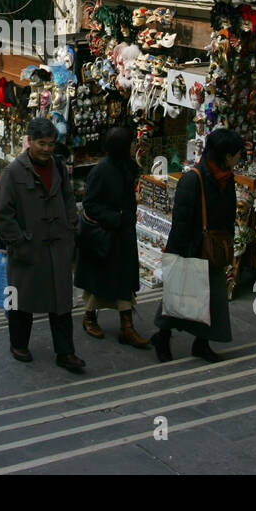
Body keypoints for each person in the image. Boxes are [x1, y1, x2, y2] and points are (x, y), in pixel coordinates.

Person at [0, 117, 85, 374]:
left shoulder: (58, 168)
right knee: (22, 302)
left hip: (57, 248)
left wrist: (70, 227)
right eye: (41, 143)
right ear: (30, 141)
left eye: (51, 144)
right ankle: (19, 344)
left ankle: (66, 352)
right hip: (27, 249)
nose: (46, 149)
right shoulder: (13, 173)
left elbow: (67, 199)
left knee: (62, 304)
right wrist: (19, 240)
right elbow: (1, 212)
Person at [151, 128, 244, 364]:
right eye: (237, 153)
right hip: (191, 249)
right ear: (226, 154)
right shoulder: (193, 178)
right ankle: (162, 337)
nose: (240, 157)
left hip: (213, 248)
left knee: (212, 298)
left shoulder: (226, 177)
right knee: (178, 297)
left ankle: (202, 343)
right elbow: (181, 221)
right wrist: (177, 255)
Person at [76, 126, 149, 349]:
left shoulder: (125, 165)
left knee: (123, 281)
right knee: (98, 282)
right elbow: (90, 204)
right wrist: (116, 217)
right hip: (105, 236)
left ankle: (126, 326)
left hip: (121, 234)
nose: (135, 145)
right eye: (131, 143)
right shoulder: (102, 170)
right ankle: (89, 317)